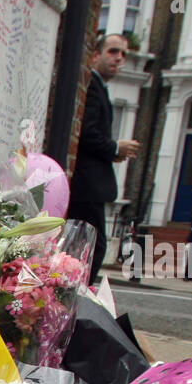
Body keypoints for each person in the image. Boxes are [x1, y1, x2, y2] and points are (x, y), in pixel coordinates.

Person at [68, 33, 140, 285]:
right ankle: (75, 304)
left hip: (90, 187)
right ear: (96, 55)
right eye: (112, 51)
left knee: (84, 251)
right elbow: (86, 134)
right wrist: (113, 147)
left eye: (123, 54)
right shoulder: (92, 86)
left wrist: (113, 151)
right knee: (90, 251)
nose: (119, 58)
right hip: (86, 188)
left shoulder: (99, 87)